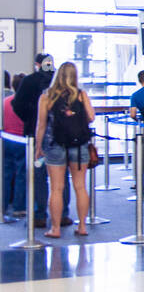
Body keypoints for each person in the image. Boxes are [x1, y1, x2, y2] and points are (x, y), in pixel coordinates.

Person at [33, 62, 94, 238]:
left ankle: (56, 229)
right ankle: (82, 226)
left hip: (55, 145)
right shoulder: (82, 95)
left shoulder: (47, 96)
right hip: (79, 144)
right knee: (80, 187)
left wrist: (38, 147)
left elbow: (41, 125)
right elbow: (91, 117)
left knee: (56, 188)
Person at [14, 53, 68, 229]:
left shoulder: (29, 81)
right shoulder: (60, 82)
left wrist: (30, 119)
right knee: (61, 177)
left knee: (38, 177)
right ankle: (62, 214)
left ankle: (39, 215)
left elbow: (17, 105)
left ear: (37, 64)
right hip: (60, 137)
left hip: (34, 135)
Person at [3, 72, 26, 218]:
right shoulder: (28, 102)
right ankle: (19, 206)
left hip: (6, 140)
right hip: (21, 141)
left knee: (6, 174)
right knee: (21, 175)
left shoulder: (5, 102)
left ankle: (3, 205)